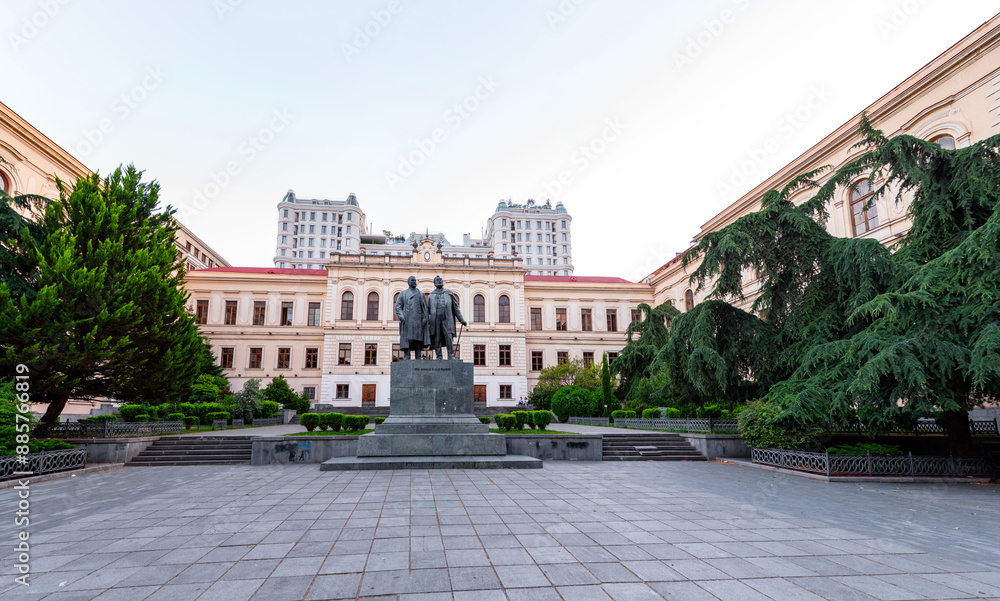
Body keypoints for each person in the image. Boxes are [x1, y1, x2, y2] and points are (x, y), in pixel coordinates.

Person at [427, 275, 468, 360]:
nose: (439, 281)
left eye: (440, 280)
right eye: (437, 280)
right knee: (437, 338)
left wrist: (461, 320)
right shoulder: (431, 295)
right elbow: (428, 311)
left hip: (447, 319)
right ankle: (439, 356)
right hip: (435, 320)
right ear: (434, 283)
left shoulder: (449, 293)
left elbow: (456, 308)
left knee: (448, 337)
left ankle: (450, 355)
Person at [395, 276, 429, 359]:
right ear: (408, 282)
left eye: (415, 280)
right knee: (407, 339)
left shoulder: (421, 294)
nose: (414, 282)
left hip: (418, 320)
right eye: (412, 280)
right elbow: (398, 307)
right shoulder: (403, 293)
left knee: (418, 339)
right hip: (407, 320)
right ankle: (407, 355)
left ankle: (418, 355)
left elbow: (425, 308)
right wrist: (401, 316)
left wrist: (425, 318)